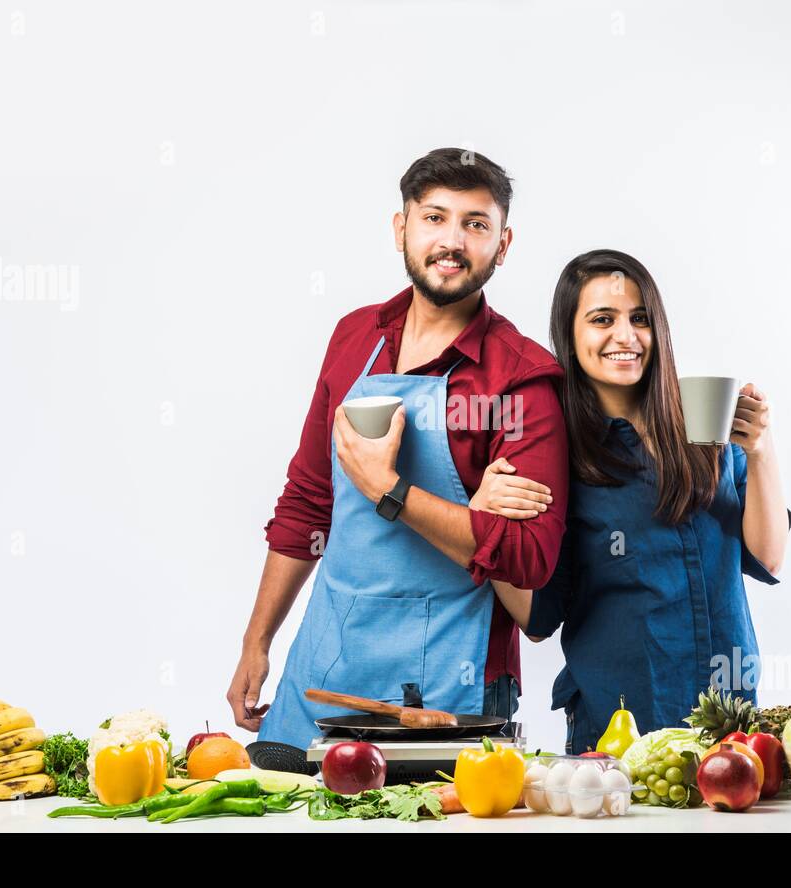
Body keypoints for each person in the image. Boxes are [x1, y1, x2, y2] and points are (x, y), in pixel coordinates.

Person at [227, 148, 570, 750]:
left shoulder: (522, 380)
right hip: (327, 664)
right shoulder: (354, 335)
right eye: (434, 218)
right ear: (401, 228)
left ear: (504, 243)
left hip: (450, 687)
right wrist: (258, 640)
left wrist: (391, 492)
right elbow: (309, 501)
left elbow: (527, 559)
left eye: (476, 224)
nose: (452, 241)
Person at [470, 249, 791, 754]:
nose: (626, 336)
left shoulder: (705, 426)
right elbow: (536, 618)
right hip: (615, 734)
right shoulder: (557, 455)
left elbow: (768, 556)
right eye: (602, 319)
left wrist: (761, 449)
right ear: (570, 339)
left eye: (639, 319)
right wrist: (484, 522)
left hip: (731, 726)